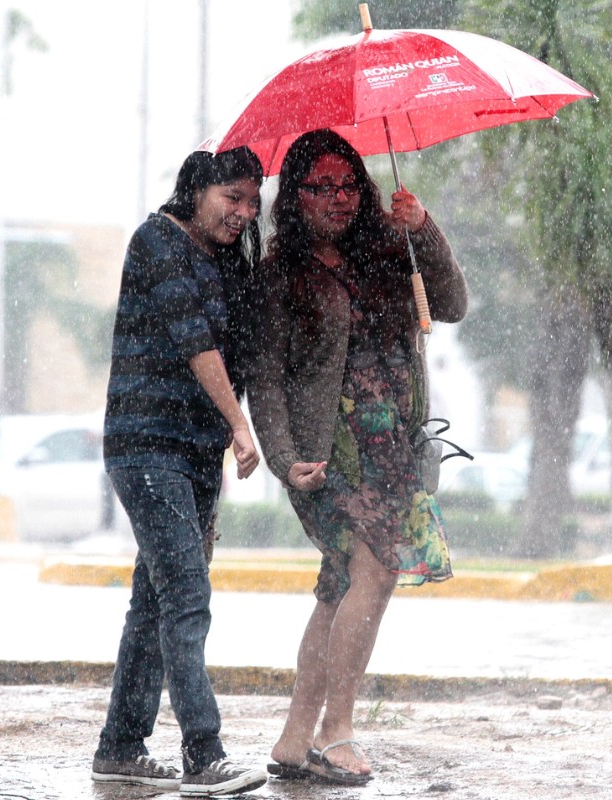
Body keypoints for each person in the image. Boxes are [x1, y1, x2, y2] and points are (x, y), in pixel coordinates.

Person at [249, 129, 468, 785]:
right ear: (295, 196)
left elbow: (452, 304)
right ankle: (336, 731)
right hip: (327, 452)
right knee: (375, 570)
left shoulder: (387, 253)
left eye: (349, 185)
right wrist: (284, 458)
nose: (339, 199)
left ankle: (296, 736)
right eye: (321, 186)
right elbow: (264, 377)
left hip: (393, 446)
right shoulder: (279, 275)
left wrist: (422, 229)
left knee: (341, 584)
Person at [91, 147, 268, 796]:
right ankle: (205, 754)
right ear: (197, 191)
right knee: (187, 599)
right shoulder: (157, 242)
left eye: (254, 202)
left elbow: (246, 351)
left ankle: (120, 747)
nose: (245, 213)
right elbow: (196, 342)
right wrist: (241, 427)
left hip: (194, 458)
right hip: (145, 448)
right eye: (233, 198)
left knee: (153, 603)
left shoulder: (228, 264)